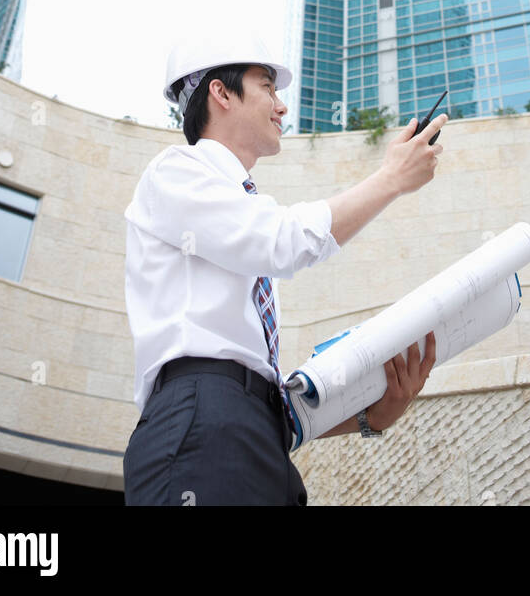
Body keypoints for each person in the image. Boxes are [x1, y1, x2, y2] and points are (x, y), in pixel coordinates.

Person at [122, 37, 447, 506]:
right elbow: (286, 241)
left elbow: (266, 399)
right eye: (268, 88)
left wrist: (370, 416)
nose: (281, 106)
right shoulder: (176, 172)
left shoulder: (239, 208)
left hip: (254, 436)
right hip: (201, 423)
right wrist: (391, 179)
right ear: (222, 93)